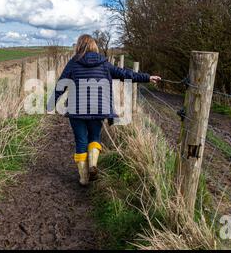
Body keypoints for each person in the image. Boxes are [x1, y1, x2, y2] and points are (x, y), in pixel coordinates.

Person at [48, 34, 161, 186]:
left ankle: (83, 178)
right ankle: (93, 164)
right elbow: (125, 74)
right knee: (94, 136)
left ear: (79, 46)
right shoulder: (104, 63)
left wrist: (51, 103)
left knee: (81, 141)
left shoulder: (73, 63)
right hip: (99, 107)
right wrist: (147, 77)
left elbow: (61, 84)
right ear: (94, 46)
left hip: (77, 109)